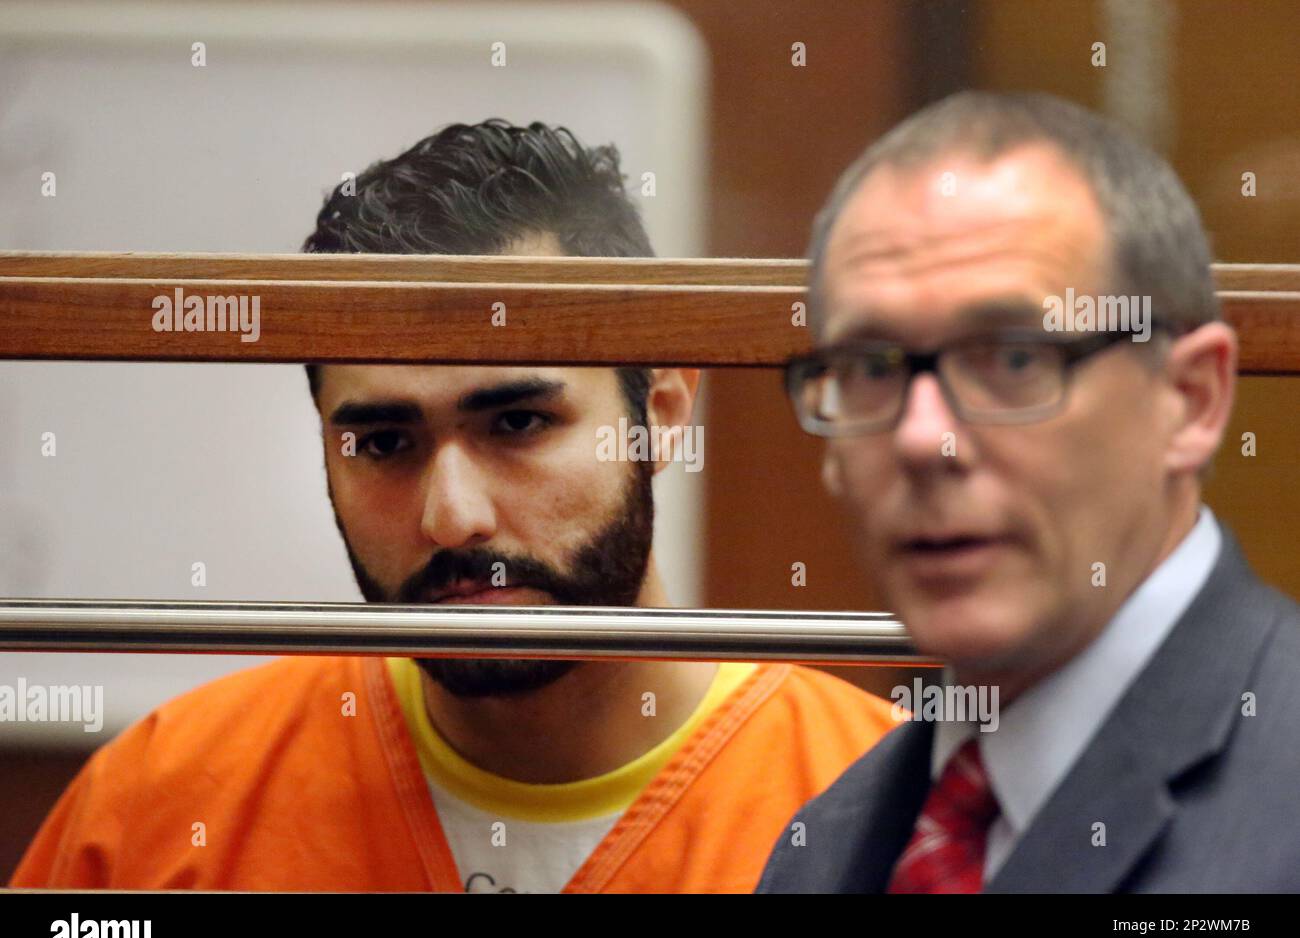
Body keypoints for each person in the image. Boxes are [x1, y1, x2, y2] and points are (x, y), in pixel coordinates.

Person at [12, 120, 897, 894]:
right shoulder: (162, 805)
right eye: (385, 443)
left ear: (660, 413)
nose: (451, 518)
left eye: (517, 421)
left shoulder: (884, 806)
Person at [759, 92, 1300, 893]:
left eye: (1014, 358)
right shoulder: (823, 846)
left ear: (1190, 400)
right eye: (871, 368)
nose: (922, 438)